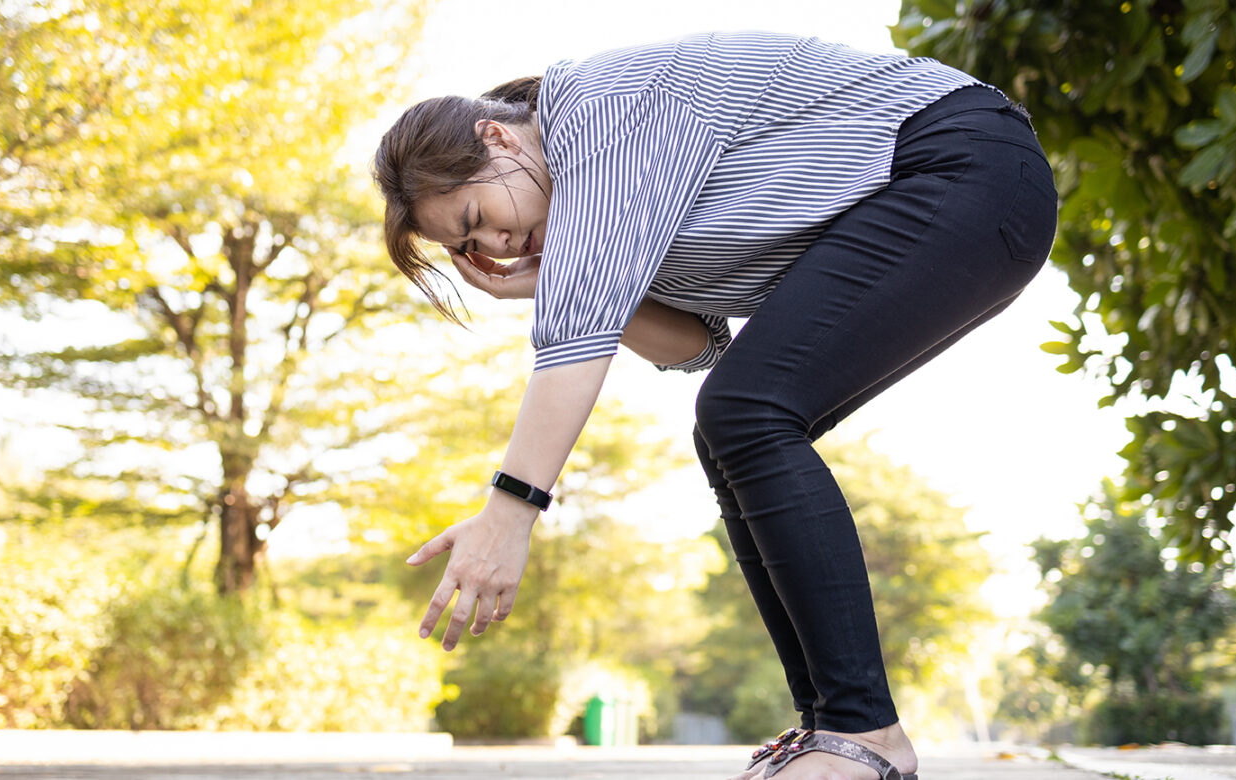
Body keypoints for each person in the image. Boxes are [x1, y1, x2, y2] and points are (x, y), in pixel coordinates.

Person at [373, 31, 1056, 780]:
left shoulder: (598, 113)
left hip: (962, 165)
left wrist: (508, 514)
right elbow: (699, 348)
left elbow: (576, 342)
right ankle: (833, 729)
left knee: (746, 412)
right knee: (731, 418)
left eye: (477, 219)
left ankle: (866, 735)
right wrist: (563, 277)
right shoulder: (606, 208)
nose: (498, 246)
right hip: (963, 189)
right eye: (471, 247)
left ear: (496, 136)